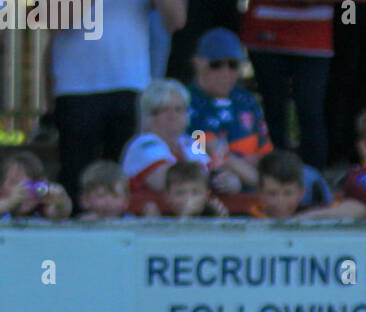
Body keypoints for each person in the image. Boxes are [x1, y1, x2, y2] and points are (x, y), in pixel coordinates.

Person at [50, 0, 187, 199]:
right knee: (76, 180)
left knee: (124, 179)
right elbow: (51, 23)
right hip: (75, 87)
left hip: (130, 85)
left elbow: (176, 21)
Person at [242, 0, 333, 169]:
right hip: (265, 27)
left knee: (310, 111)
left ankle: (315, 180)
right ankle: (274, 174)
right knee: (272, 108)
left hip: (315, 32)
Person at [187, 28, 273, 193]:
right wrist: (264, 184)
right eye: (216, 64)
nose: (225, 72)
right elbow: (214, 155)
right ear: (198, 63)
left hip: (258, 185)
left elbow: (265, 155)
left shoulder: (247, 101)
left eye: (233, 65)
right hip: (215, 187)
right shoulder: (186, 102)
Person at [122, 79, 222, 195]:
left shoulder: (188, 142)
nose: (173, 116)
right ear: (150, 115)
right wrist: (212, 180)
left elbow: (213, 172)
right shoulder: (142, 144)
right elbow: (168, 181)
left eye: (179, 109)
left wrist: (227, 181)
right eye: (164, 110)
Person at [251, 150, 366, 219]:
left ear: (301, 193)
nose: (280, 201)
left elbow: (359, 208)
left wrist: (310, 217)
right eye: (272, 194)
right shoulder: (249, 216)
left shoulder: (309, 213)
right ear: (260, 192)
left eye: (288, 193)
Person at [0, 152, 73, 221]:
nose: (25, 190)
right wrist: (10, 202)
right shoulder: (3, 209)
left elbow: (61, 213)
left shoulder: (43, 211)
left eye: (32, 186)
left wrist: (60, 200)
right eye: (14, 182)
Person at [161, 159, 229, 217]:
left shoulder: (213, 215)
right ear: (167, 196)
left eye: (195, 193)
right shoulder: (163, 221)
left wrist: (220, 218)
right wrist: (186, 215)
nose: (188, 199)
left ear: (206, 195)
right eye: (180, 193)